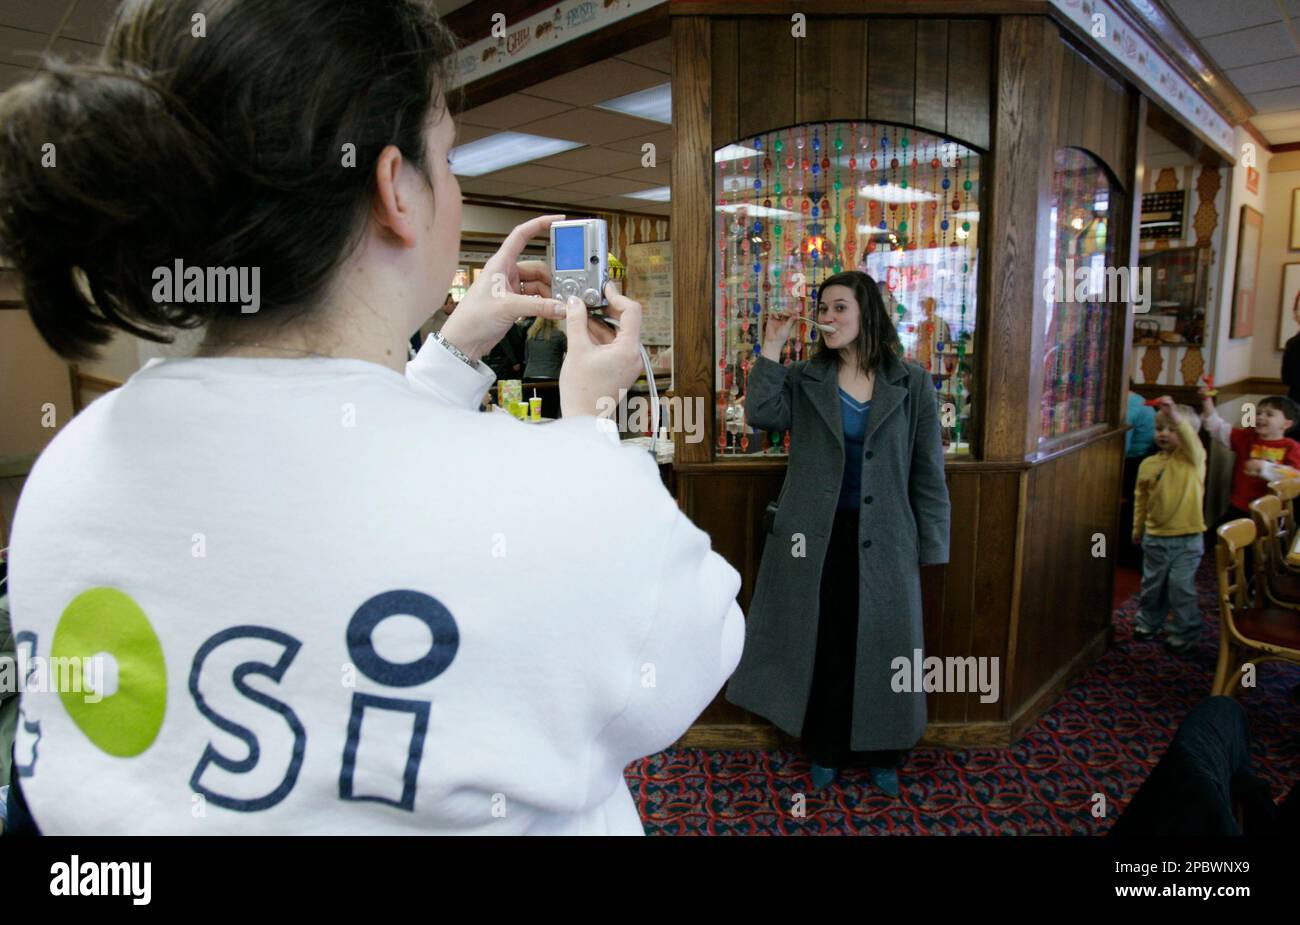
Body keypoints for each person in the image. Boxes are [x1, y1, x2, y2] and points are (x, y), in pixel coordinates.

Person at [0, 0, 743, 835]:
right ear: (397, 188)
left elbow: (338, 462)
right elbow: (699, 645)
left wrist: (455, 351)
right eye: (449, 160)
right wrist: (592, 432)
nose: (454, 188)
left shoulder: (69, 468)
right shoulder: (563, 493)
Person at [724, 271, 951, 795]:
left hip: (887, 535)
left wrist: (933, 543)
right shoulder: (807, 377)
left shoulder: (911, 381)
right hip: (813, 536)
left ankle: (884, 751)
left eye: (839, 308)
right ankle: (824, 747)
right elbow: (760, 415)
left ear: (866, 313)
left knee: (883, 644)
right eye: (822, 308)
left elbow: (927, 470)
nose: (826, 318)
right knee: (823, 640)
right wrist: (773, 348)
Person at [1131, 398, 1206, 654]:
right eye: (1160, 428)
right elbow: (1141, 499)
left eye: (1172, 429)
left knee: (1180, 588)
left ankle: (1185, 632)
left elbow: (1191, 442)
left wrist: (1175, 414)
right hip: (1155, 537)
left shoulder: (1193, 460)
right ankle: (1148, 622)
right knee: (1152, 586)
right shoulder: (1148, 464)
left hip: (1187, 538)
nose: (1164, 433)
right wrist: (1137, 529)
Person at [523, 315, 567, 380]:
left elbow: (527, 357)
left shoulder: (531, 336)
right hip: (553, 375)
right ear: (554, 321)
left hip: (530, 375)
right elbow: (571, 352)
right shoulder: (559, 335)